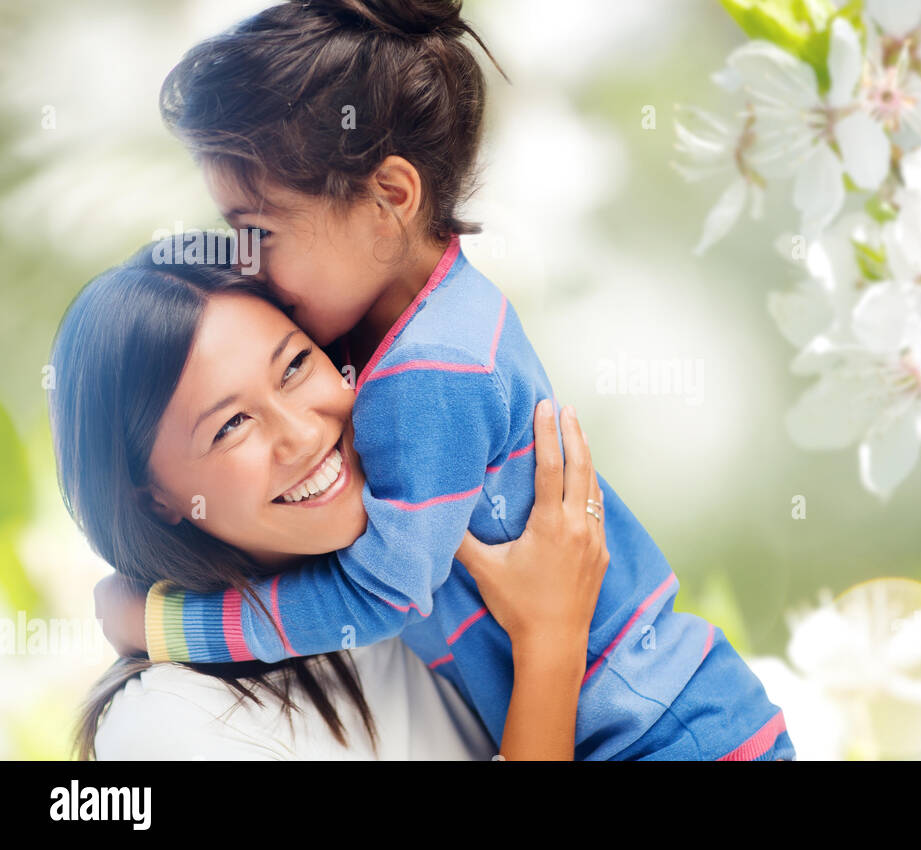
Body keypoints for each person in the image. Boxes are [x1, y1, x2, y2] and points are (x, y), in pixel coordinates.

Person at [99, 0, 793, 760]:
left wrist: (168, 624)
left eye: (256, 231)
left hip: (667, 736)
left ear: (390, 199)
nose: (245, 262)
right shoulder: (427, 318)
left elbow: (380, 594)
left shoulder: (430, 371)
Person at [52, 241, 608, 759]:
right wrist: (551, 640)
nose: (303, 435)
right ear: (155, 503)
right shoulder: (166, 724)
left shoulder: (424, 546)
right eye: (232, 425)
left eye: (295, 365)